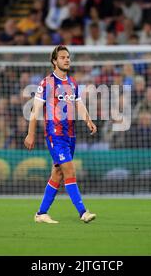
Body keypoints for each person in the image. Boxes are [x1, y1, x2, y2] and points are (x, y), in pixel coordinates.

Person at [24, 45, 97, 224]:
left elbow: (79, 104)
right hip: (54, 136)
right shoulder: (46, 83)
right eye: (63, 57)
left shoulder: (72, 83)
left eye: (68, 57)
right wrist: (30, 134)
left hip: (70, 136)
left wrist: (88, 120)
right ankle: (83, 212)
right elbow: (35, 111)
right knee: (69, 170)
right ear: (54, 61)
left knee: (57, 174)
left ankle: (41, 213)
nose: (67, 60)